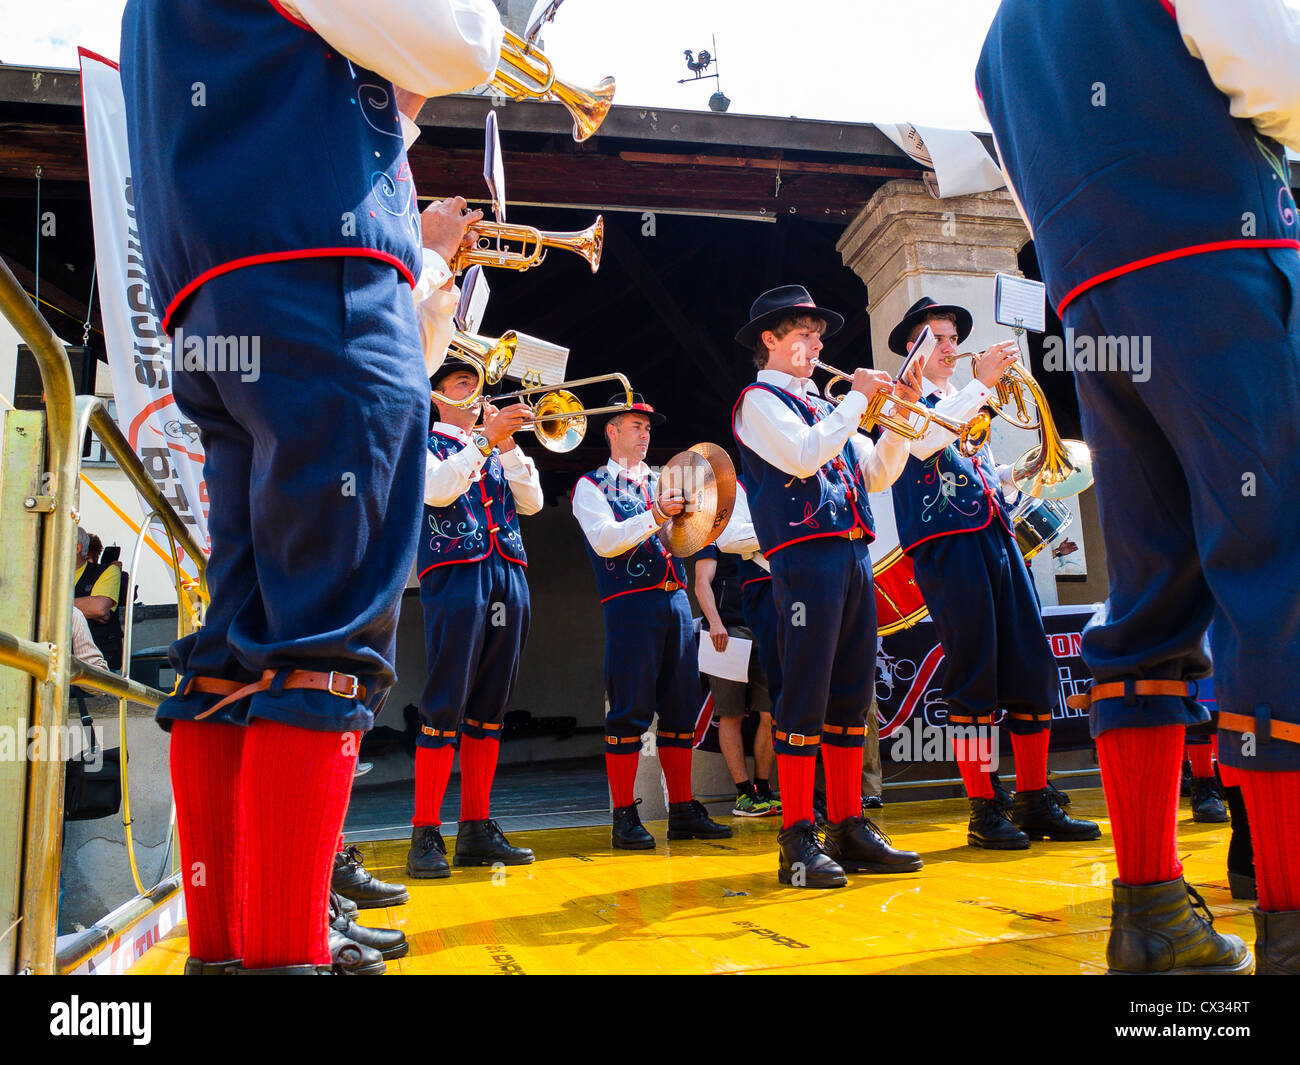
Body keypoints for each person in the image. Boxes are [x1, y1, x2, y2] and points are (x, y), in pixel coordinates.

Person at [120, 0, 504, 974]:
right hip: (317, 283)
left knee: (232, 647)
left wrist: (391, 105)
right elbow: (465, 40)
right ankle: (286, 952)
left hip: (212, 300)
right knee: (327, 639)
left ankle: (224, 952)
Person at [978, 0, 1300, 974]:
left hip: (1098, 306)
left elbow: (1032, 195)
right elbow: (1281, 79)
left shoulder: (999, 43)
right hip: (1222, 266)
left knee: (1151, 595)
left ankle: (1152, 914)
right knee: (1280, 580)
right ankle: (1288, 919)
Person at [885, 298, 1100, 850]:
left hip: (996, 537)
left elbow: (968, 468)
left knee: (1030, 668)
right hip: (948, 548)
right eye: (940, 336)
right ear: (913, 348)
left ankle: (1035, 797)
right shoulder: (900, 400)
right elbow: (927, 442)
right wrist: (981, 384)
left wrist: (1017, 472)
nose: (952, 346)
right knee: (975, 675)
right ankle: (984, 806)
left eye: (955, 336)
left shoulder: (963, 404)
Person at [732, 285, 923, 888]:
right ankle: (796, 837)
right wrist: (857, 402)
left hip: (853, 556)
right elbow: (805, 457)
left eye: (818, 336)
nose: (816, 345)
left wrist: (902, 422)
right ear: (770, 339)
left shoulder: (825, 405)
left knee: (848, 697)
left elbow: (877, 473)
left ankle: (848, 824)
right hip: (804, 560)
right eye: (804, 335)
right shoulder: (756, 402)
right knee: (804, 695)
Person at [572, 395, 732, 849]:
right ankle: (624, 815)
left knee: (681, 710)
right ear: (612, 431)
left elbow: (702, 532)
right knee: (629, 711)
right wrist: (658, 513)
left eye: (648, 428)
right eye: (635, 427)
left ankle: (682, 811)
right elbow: (606, 541)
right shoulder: (591, 485)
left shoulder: (664, 480)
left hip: (676, 603)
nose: (644, 435)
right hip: (629, 605)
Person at [405, 364, 541, 877]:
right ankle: (425, 833)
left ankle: (476, 828)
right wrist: (486, 440)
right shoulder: (419, 441)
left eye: (478, 385)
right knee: (445, 700)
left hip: (508, 571)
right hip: (457, 575)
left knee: (490, 705)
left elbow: (532, 501)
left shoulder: (495, 447)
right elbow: (438, 490)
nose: (476, 393)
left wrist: (505, 445)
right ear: (437, 396)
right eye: (464, 385)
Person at [692, 533, 778, 817]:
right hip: (726, 632)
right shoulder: (712, 533)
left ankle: (763, 790)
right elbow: (701, 582)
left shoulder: (765, 523)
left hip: (765, 629)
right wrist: (715, 623)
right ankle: (743, 794)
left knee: (770, 713)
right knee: (730, 714)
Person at [73, 527, 123, 671]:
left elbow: (99, 608)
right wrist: (84, 605)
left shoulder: (108, 571)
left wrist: (50, 603)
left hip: (99, 669)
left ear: (77, 548)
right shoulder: (45, 574)